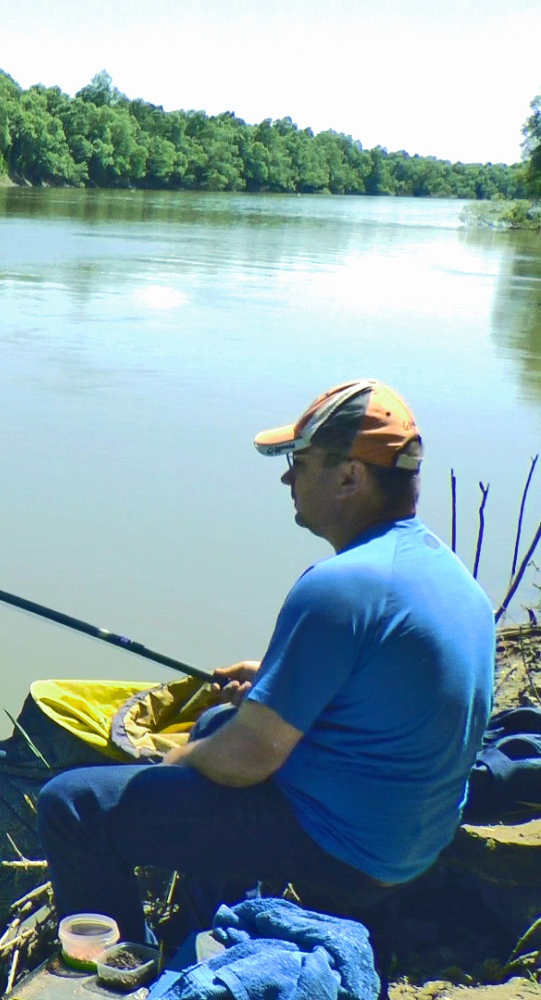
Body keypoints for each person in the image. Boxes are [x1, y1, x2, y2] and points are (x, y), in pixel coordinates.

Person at [36, 379, 495, 945]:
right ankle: (218, 927)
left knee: (73, 805)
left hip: (346, 849)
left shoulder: (339, 586)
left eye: (299, 462)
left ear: (350, 476)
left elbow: (246, 761)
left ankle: (123, 968)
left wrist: (174, 763)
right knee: (216, 722)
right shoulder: (449, 578)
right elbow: (383, 685)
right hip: (414, 836)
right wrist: (271, 681)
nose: (287, 477)